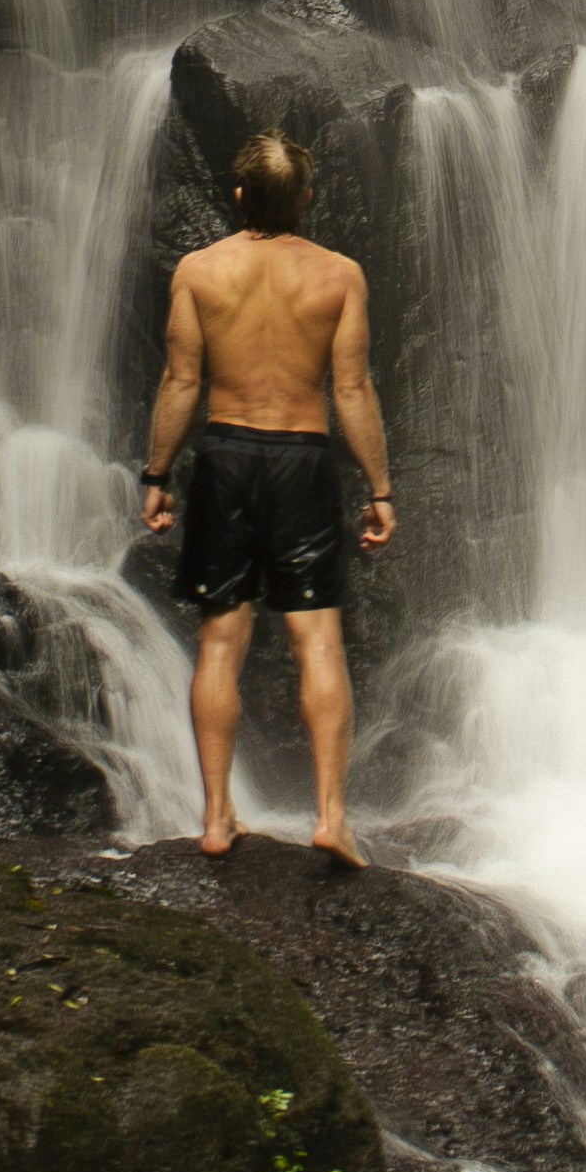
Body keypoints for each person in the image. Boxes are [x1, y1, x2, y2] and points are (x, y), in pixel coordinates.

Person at [139, 130, 396, 865]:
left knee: (221, 638)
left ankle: (217, 816)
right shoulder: (340, 276)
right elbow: (351, 388)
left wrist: (157, 476)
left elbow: (180, 381)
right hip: (301, 460)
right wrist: (380, 489)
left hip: (224, 458)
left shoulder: (197, 270)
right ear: (306, 199)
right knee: (317, 640)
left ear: (241, 195)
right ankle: (331, 816)